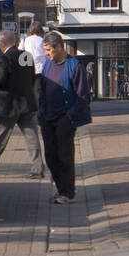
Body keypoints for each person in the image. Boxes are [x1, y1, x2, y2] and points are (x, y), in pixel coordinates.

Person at [37, 31, 91, 204]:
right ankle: (61, 188)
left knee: (64, 155)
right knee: (51, 156)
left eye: (49, 50)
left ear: (59, 47)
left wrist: (69, 117)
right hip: (47, 117)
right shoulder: (47, 65)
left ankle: (67, 192)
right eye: (45, 51)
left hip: (64, 118)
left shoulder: (75, 66)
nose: (46, 54)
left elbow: (83, 96)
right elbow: (43, 90)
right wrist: (42, 111)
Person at [0, 29, 43, 176]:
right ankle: (38, 168)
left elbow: (0, 81)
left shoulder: (3, 59)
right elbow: (31, 78)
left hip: (9, 106)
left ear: (1, 43)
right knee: (32, 137)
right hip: (26, 104)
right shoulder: (26, 56)